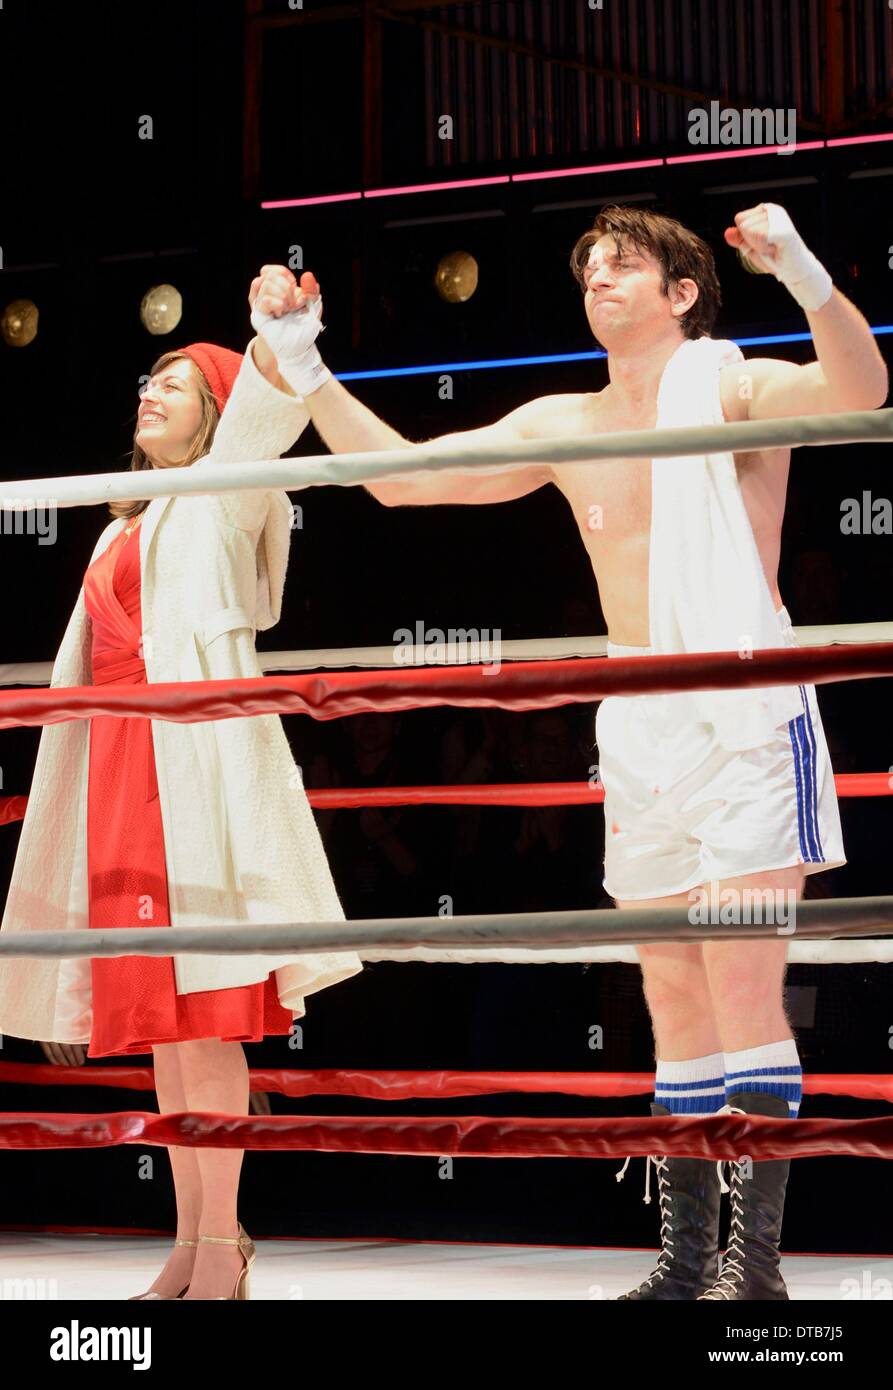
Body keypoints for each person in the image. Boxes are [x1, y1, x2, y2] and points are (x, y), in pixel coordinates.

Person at [246, 202, 887, 1300]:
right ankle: (685, 1262)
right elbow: (400, 477)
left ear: (680, 293)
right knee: (671, 1002)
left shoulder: (732, 384)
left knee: (741, 988)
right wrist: (305, 365)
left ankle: (758, 1267)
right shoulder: (566, 421)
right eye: (588, 266)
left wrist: (803, 272)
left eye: (623, 265)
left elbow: (859, 391)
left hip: (735, 708)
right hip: (636, 721)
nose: (598, 277)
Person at [0, 271, 364, 1300]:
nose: (147, 393)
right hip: (120, 774)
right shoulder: (122, 527)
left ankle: (220, 1246)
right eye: (144, 381)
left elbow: (265, 405)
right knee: (164, 1031)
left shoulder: (225, 488)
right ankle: (197, 1242)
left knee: (205, 1016)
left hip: (193, 783)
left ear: (211, 413)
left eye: (173, 383)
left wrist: (275, 330)